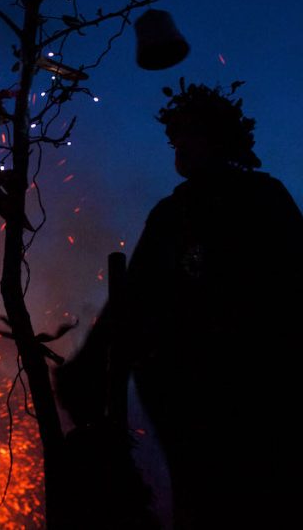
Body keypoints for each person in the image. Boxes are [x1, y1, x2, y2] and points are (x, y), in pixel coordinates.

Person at [55, 80, 303, 530]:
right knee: (202, 504)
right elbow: (135, 296)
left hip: (260, 389)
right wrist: (91, 361)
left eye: (189, 134)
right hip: (186, 394)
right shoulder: (172, 212)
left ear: (219, 138)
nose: (178, 146)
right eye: (174, 138)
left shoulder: (264, 199)